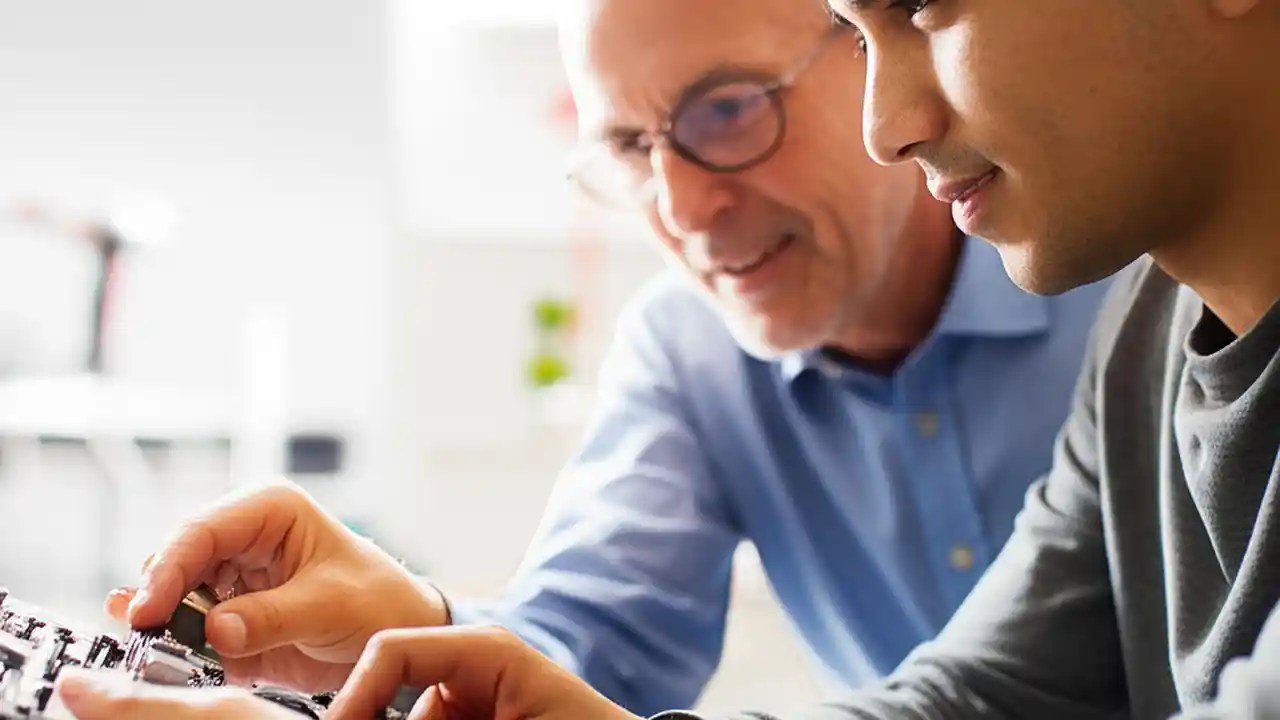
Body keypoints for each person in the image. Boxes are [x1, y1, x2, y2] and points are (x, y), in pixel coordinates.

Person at [54, 0, 1280, 716]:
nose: (684, 211)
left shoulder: (1104, 261)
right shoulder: (1148, 331)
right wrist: (416, 632)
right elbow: (966, 704)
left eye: (728, 111)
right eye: (635, 151)